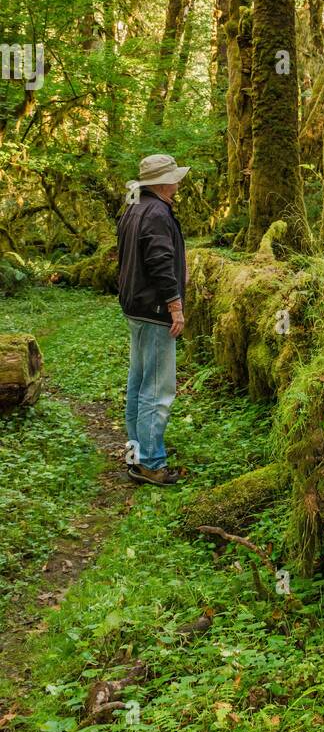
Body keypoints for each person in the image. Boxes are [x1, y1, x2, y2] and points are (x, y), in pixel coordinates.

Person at [117, 154, 189, 486]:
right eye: (174, 178)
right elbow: (160, 261)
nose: (178, 183)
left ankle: (137, 453)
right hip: (155, 311)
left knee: (138, 382)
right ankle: (150, 462)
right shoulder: (157, 212)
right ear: (162, 182)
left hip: (136, 308)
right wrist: (175, 306)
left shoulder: (134, 208)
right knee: (157, 390)